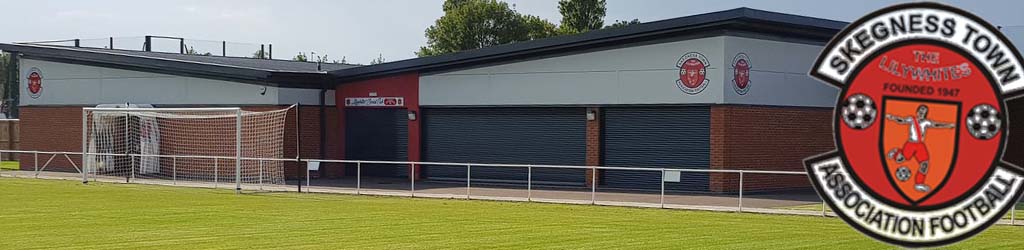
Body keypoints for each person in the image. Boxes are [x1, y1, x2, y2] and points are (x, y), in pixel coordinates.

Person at [886, 105, 955, 193]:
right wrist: (892, 117)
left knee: (925, 163)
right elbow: (902, 120)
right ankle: (896, 152)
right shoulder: (911, 119)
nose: (922, 113)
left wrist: (948, 125)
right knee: (901, 159)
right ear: (917, 111)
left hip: (920, 146)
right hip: (910, 144)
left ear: (925, 114)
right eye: (921, 110)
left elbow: (936, 124)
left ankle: (919, 184)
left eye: (924, 111)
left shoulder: (926, 122)